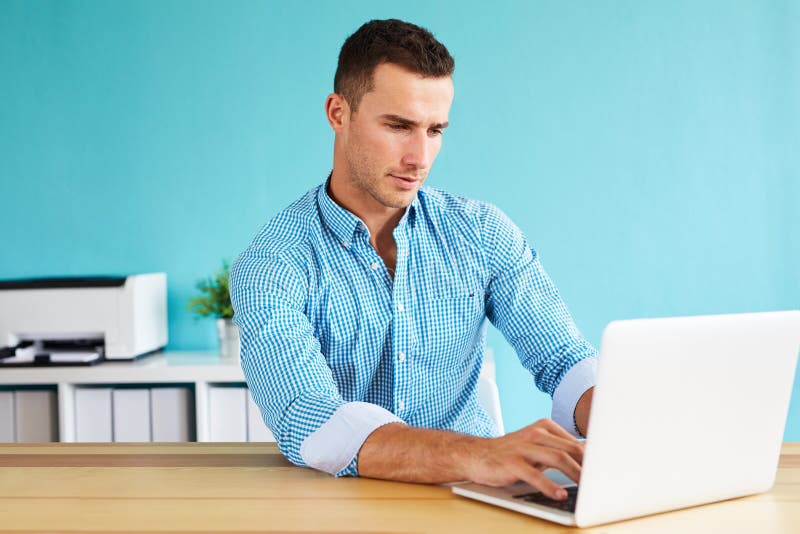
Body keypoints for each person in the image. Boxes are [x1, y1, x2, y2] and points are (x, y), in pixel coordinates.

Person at [230, 18, 597, 501]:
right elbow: (312, 421)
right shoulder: (273, 262)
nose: (419, 157)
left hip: (480, 499)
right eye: (399, 126)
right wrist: (478, 453)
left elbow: (566, 361)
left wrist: (627, 425)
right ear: (338, 113)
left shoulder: (481, 232)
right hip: (347, 505)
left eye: (435, 130)